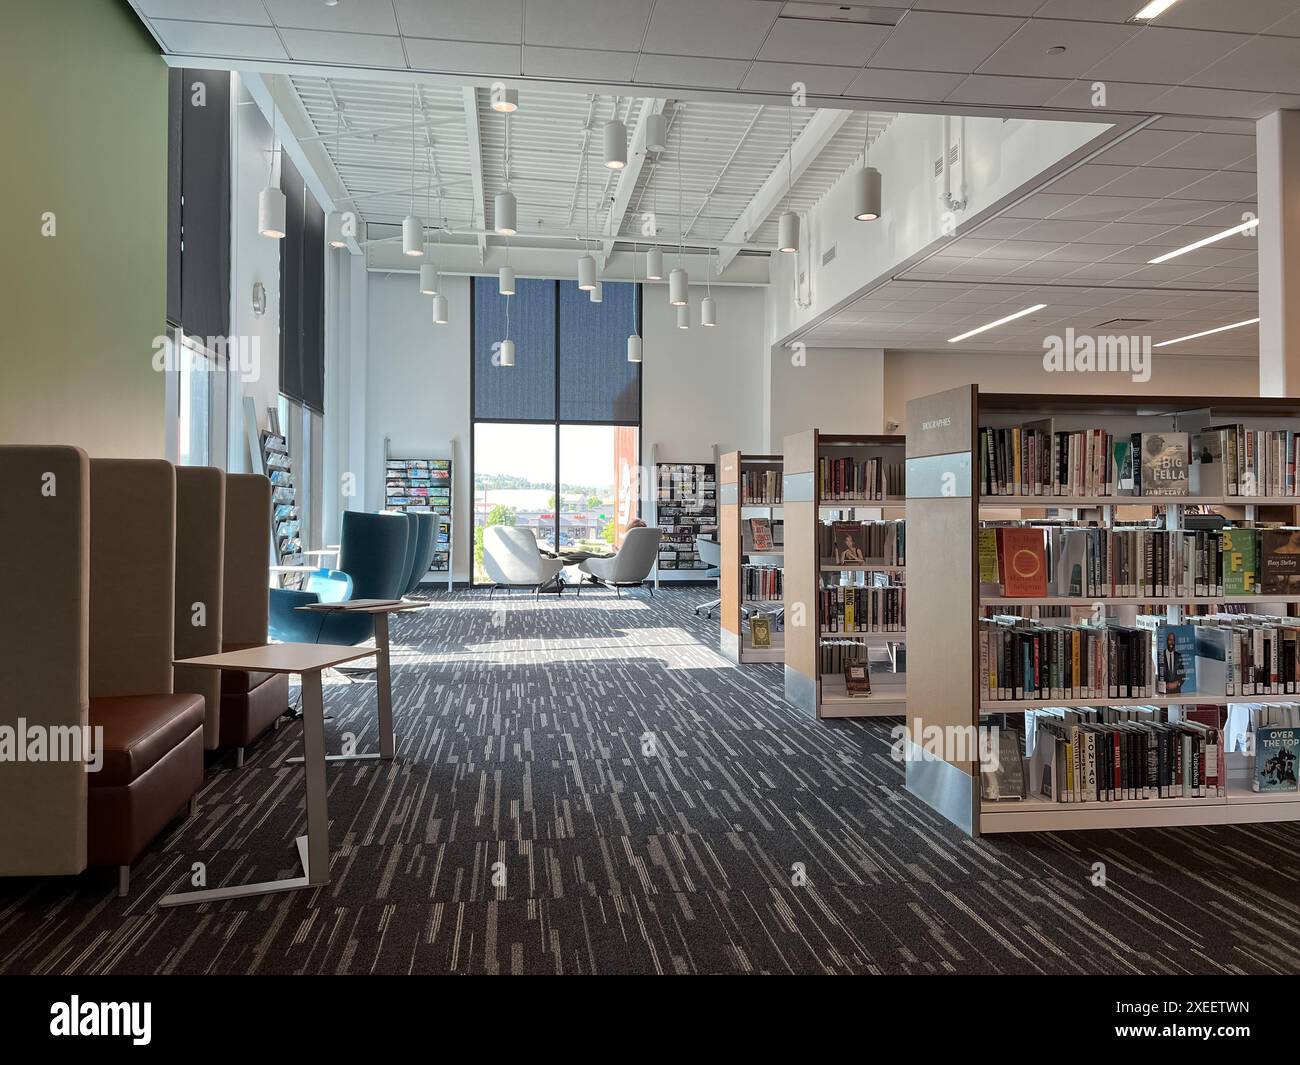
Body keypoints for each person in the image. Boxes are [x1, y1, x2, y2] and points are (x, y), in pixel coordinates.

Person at [1160, 630, 1186, 694]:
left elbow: (1183, 675)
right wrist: (1165, 685)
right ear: (1166, 641)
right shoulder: (1161, 655)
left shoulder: (1178, 656)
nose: (1171, 642)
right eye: (1170, 640)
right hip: (1164, 691)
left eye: (1173, 640)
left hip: (1176, 691)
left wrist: (1177, 683)